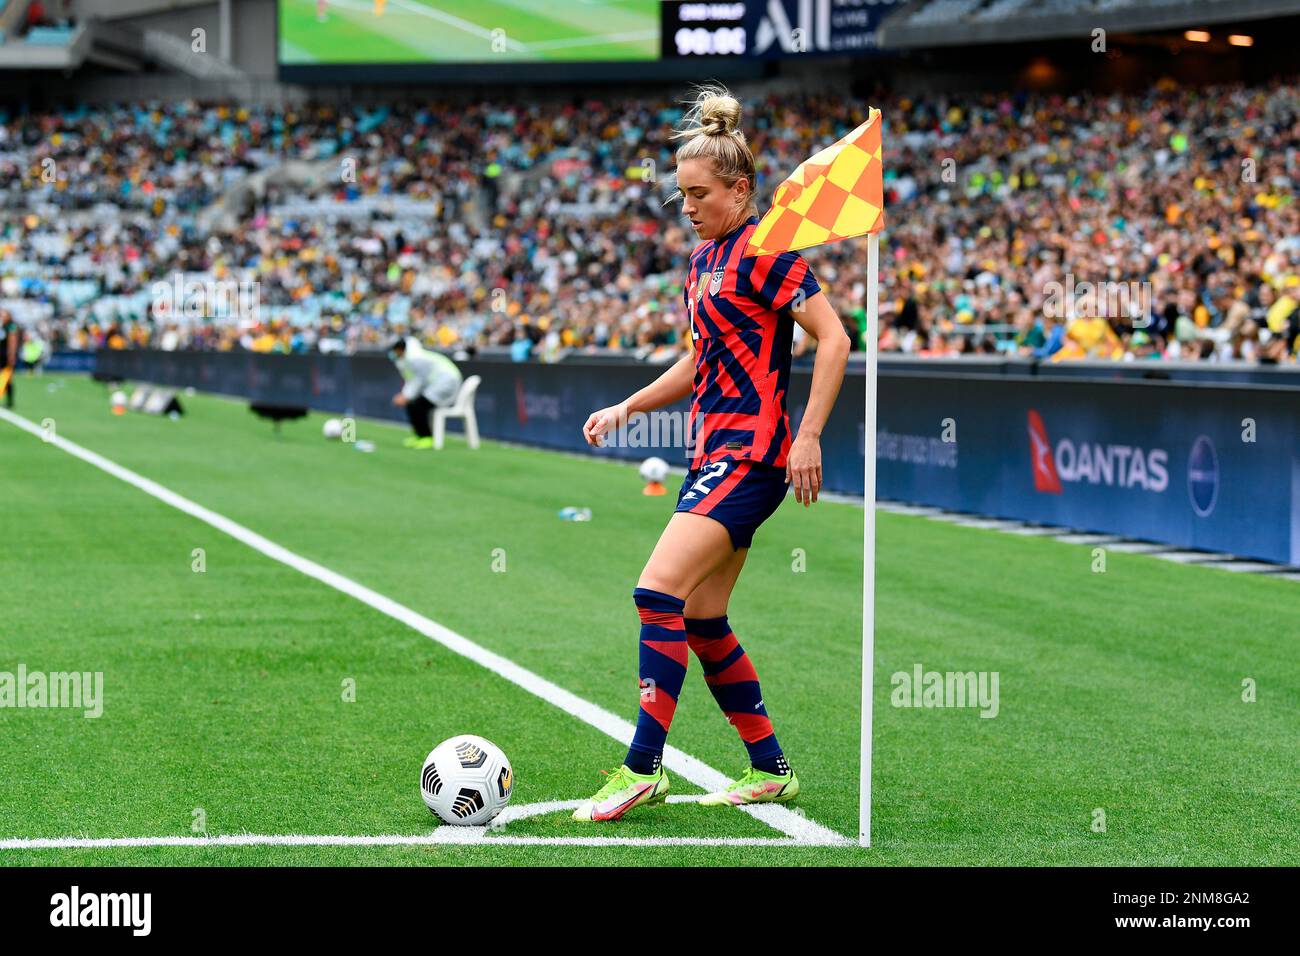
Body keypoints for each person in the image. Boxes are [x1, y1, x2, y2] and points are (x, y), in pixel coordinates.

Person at [573, 86, 852, 822]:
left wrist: (810, 434)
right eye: (680, 194)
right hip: (709, 457)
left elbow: (834, 338)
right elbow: (699, 362)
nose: (687, 206)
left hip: (752, 458)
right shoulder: (702, 262)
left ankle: (641, 767)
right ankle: (770, 768)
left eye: (699, 193)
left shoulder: (768, 251)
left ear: (741, 189)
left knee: (656, 592)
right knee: (701, 618)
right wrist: (631, 405)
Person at [388, 336, 463, 449]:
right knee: (412, 405)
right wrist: (405, 395)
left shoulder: (415, 359)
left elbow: (419, 380)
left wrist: (406, 396)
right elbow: (412, 380)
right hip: (437, 384)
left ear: (399, 349)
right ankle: (420, 436)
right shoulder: (407, 359)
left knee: (418, 405)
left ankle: (427, 438)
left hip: (446, 383)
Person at [1, 311, 21, 409]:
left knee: (8, 379)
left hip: (6, 357)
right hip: (1, 356)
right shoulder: (3, 326)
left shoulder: (11, 326)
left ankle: (10, 401)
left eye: (3, 315)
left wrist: (11, 357)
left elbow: (12, 343)